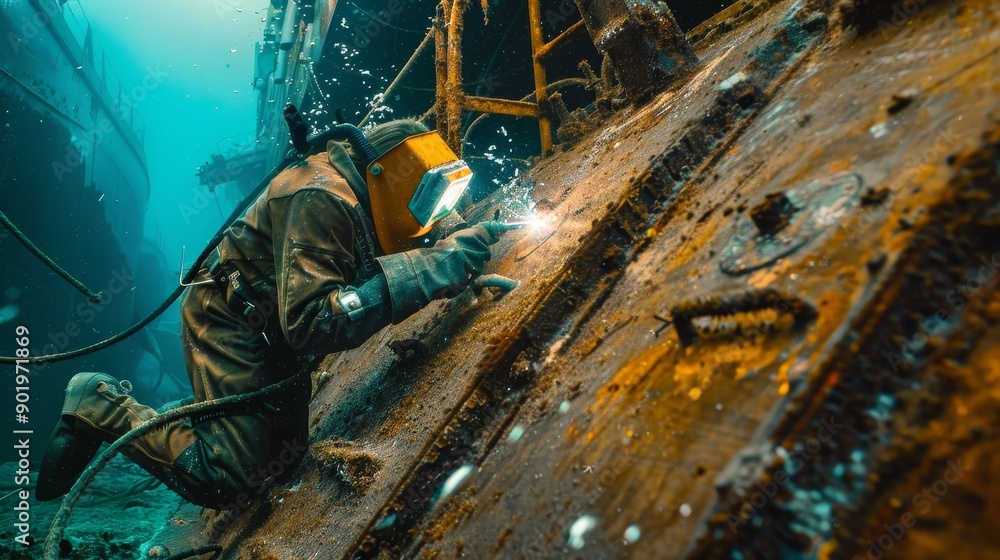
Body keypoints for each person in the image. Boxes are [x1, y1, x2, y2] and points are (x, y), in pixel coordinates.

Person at [36, 119, 508, 508]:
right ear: (384, 176)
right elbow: (313, 323)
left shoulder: (382, 186)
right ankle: (100, 406)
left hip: (274, 322)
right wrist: (434, 268)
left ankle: (212, 414)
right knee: (232, 480)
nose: (435, 211)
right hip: (231, 319)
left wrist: (458, 260)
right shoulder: (319, 198)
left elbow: (424, 225)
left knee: (283, 461)